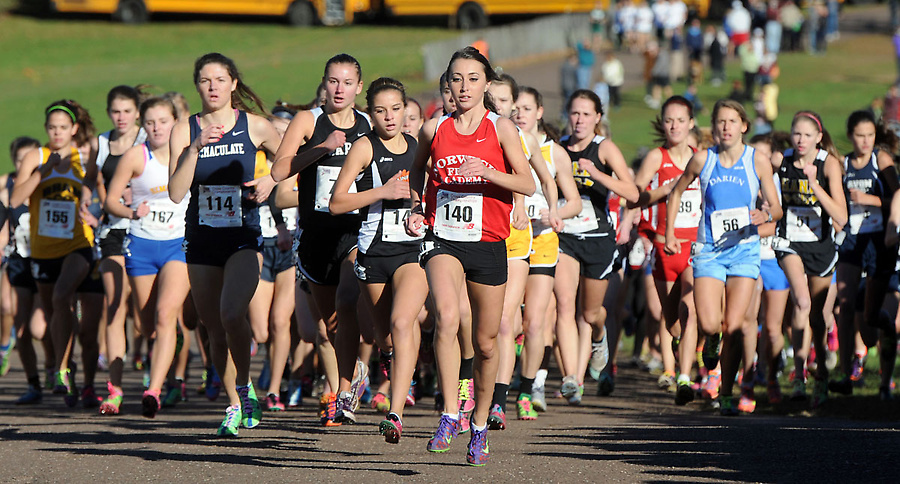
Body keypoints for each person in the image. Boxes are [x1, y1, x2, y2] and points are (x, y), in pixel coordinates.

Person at [405, 46, 535, 466]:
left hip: (489, 240)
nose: (463, 87)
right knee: (445, 315)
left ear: (486, 84)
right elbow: (416, 172)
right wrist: (414, 208)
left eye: (473, 79)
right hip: (444, 236)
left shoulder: (502, 129)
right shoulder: (433, 128)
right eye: (456, 79)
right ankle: (448, 414)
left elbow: (527, 183)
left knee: (486, 340)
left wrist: (490, 174)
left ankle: (479, 424)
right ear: (448, 83)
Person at [168, 52, 281, 436]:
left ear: (234, 83)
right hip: (201, 239)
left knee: (233, 313)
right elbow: (175, 191)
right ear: (197, 86)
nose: (213, 87)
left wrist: (271, 182)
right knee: (213, 327)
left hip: (244, 237)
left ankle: (245, 384)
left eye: (220, 79)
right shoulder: (185, 131)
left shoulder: (257, 127)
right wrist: (195, 147)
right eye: (205, 80)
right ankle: (235, 404)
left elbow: (290, 167)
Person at [271, 53, 372, 426]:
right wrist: (321, 148)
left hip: (357, 230)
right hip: (315, 236)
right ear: (324, 83)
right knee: (329, 326)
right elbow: (280, 170)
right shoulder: (307, 121)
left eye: (348, 82)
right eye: (333, 81)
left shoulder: (368, 124)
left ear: (359, 87)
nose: (340, 89)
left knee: (349, 298)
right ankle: (356, 373)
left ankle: (345, 389)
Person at [666, 99, 782, 415]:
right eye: (720, 121)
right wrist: (670, 233)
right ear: (714, 127)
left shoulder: (757, 161)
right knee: (709, 323)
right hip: (709, 252)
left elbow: (777, 207)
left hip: (744, 251)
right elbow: (676, 193)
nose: (726, 127)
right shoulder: (702, 159)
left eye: (732, 121)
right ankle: (711, 343)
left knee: (733, 325)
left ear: (744, 126)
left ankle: (727, 394)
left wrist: (765, 213)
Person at [329, 77, 427, 443]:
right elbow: (337, 203)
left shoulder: (417, 148)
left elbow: (424, 193)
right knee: (381, 334)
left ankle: (395, 413)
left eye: (396, 109)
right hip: (373, 252)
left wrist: (419, 209)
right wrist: (382, 193)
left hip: (411, 250)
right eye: (381, 110)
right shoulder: (363, 147)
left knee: (404, 322)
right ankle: (388, 357)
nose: (390, 117)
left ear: (406, 111)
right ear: (370, 113)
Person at [104, 96, 190, 417]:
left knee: (167, 313)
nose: (156, 128)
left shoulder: (187, 155)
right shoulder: (135, 157)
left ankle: (153, 390)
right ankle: (170, 344)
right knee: (147, 325)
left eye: (163, 122)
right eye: (150, 122)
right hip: (141, 245)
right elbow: (111, 201)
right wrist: (130, 211)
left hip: (177, 245)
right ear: (144, 125)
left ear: (174, 123)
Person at [10, 100, 99, 408]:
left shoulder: (84, 155)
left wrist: (93, 205)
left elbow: (98, 187)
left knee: (65, 302)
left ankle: (69, 373)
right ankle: (67, 371)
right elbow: (15, 199)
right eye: (52, 128)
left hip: (78, 243)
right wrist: (41, 174)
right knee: (52, 315)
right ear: (45, 130)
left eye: (63, 128)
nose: (57, 133)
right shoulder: (36, 156)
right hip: (43, 250)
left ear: (74, 128)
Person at [555, 89, 639, 405]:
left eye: (586, 114)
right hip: (565, 238)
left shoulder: (603, 149)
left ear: (598, 118)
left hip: (598, 238)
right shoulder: (558, 148)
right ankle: (572, 379)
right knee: (566, 305)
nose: (579, 120)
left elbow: (632, 193)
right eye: (575, 113)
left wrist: (597, 174)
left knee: (590, 313)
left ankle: (599, 336)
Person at [513, 86, 582, 414]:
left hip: (543, 240)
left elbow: (575, 202)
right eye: (515, 108)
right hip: (509, 239)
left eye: (526, 108)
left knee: (536, 322)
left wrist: (554, 214)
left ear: (539, 111)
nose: (519, 114)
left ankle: (528, 390)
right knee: (509, 324)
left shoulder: (555, 152)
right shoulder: (504, 143)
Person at [772, 110, 847, 407]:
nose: (800, 140)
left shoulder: (828, 164)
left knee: (817, 316)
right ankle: (799, 378)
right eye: (796, 133)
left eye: (807, 135)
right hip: (790, 242)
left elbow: (841, 215)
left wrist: (815, 184)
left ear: (818, 138)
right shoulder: (781, 160)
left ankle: (821, 378)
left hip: (821, 246)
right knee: (801, 301)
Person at [629, 96, 701, 406]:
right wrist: (667, 191)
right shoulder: (657, 159)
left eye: (680, 120)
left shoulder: (701, 158)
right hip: (663, 246)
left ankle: (684, 376)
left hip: (696, 246)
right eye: (669, 120)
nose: (674, 126)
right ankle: (680, 362)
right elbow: (635, 196)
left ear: (691, 124)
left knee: (692, 311)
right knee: (672, 322)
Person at [830, 110, 899, 399]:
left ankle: (884, 378)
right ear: (850, 136)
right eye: (860, 136)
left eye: (870, 135)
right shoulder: (843, 165)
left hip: (879, 243)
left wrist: (869, 199)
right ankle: (845, 376)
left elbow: (898, 195)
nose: (866, 141)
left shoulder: (880, 160)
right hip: (852, 241)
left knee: (872, 319)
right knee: (844, 306)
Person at [94, 85, 148, 413]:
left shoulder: (150, 139)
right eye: (115, 111)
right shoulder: (100, 144)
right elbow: (93, 183)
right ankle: (114, 390)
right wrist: (104, 200)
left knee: (149, 312)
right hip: (113, 232)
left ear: (137, 113)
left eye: (127, 111)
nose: (121, 117)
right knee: (115, 306)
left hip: (148, 232)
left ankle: (164, 380)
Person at [4, 137, 51, 404]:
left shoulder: (50, 186)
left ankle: (56, 366)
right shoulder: (12, 193)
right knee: (21, 325)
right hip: (20, 262)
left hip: (47, 259)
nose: (26, 165)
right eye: (21, 161)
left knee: (40, 326)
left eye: (31, 159)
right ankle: (33, 383)